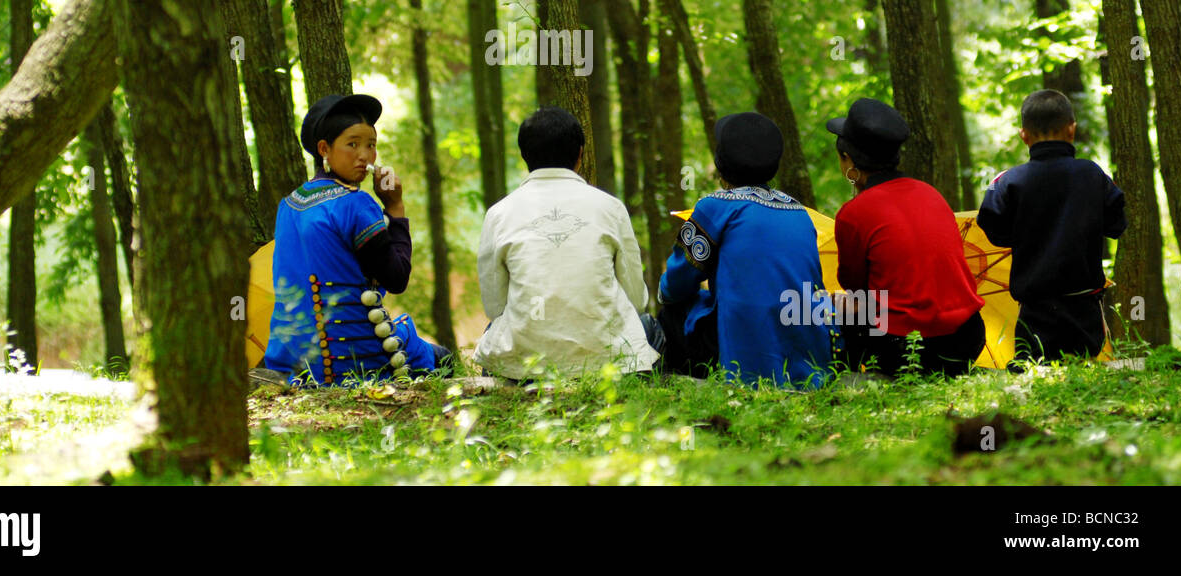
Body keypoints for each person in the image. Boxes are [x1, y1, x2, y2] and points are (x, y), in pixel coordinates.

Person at [263, 93, 452, 386]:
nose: (364, 156)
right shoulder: (356, 204)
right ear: (324, 148)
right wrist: (395, 208)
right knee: (443, 358)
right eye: (352, 144)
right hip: (353, 359)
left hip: (294, 364)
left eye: (371, 145)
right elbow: (397, 278)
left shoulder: (287, 206)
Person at [473, 107, 661, 380]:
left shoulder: (499, 214)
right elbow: (636, 299)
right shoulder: (610, 208)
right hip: (610, 364)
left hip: (525, 367)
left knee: (493, 333)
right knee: (649, 326)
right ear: (581, 154)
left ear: (524, 155)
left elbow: (495, 308)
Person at [657, 112, 835, 387]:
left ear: (721, 165)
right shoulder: (799, 212)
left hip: (744, 351)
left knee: (672, 313)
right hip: (806, 351)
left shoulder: (715, 207)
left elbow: (674, 286)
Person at [830, 98, 986, 376]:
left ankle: (846, 380)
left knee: (830, 307)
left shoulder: (853, 214)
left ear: (849, 161)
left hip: (906, 346)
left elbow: (854, 286)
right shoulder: (930, 193)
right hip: (967, 337)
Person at [976, 89, 1125, 361]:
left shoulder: (1009, 182)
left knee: (1034, 367)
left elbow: (993, 229)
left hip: (1034, 309)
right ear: (1072, 130)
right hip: (1085, 309)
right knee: (1083, 369)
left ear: (1024, 136)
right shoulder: (1093, 175)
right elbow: (1117, 225)